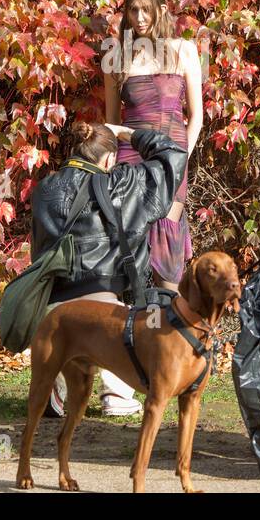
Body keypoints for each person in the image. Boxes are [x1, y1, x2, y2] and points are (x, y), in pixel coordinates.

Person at [30, 120, 187, 417]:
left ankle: (58, 386)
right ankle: (116, 391)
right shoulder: (124, 183)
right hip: (109, 312)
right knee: (142, 301)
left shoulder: (44, 189)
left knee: (66, 320)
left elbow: (38, 253)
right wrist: (127, 133)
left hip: (52, 311)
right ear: (109, 159)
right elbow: (174, 155)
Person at [102, 0, 203, 294]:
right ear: (126, 12)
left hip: (171, 162)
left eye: (146, 9)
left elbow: (197, 117)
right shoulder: (116, 56)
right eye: (133, 10)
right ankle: (132, 336)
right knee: (129, 254)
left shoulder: (184, 50)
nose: (140, 18)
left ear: (161, 9)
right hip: (130, 166)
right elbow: (111, 123)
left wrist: (179, 161)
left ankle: (170, 334)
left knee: (167, 249)